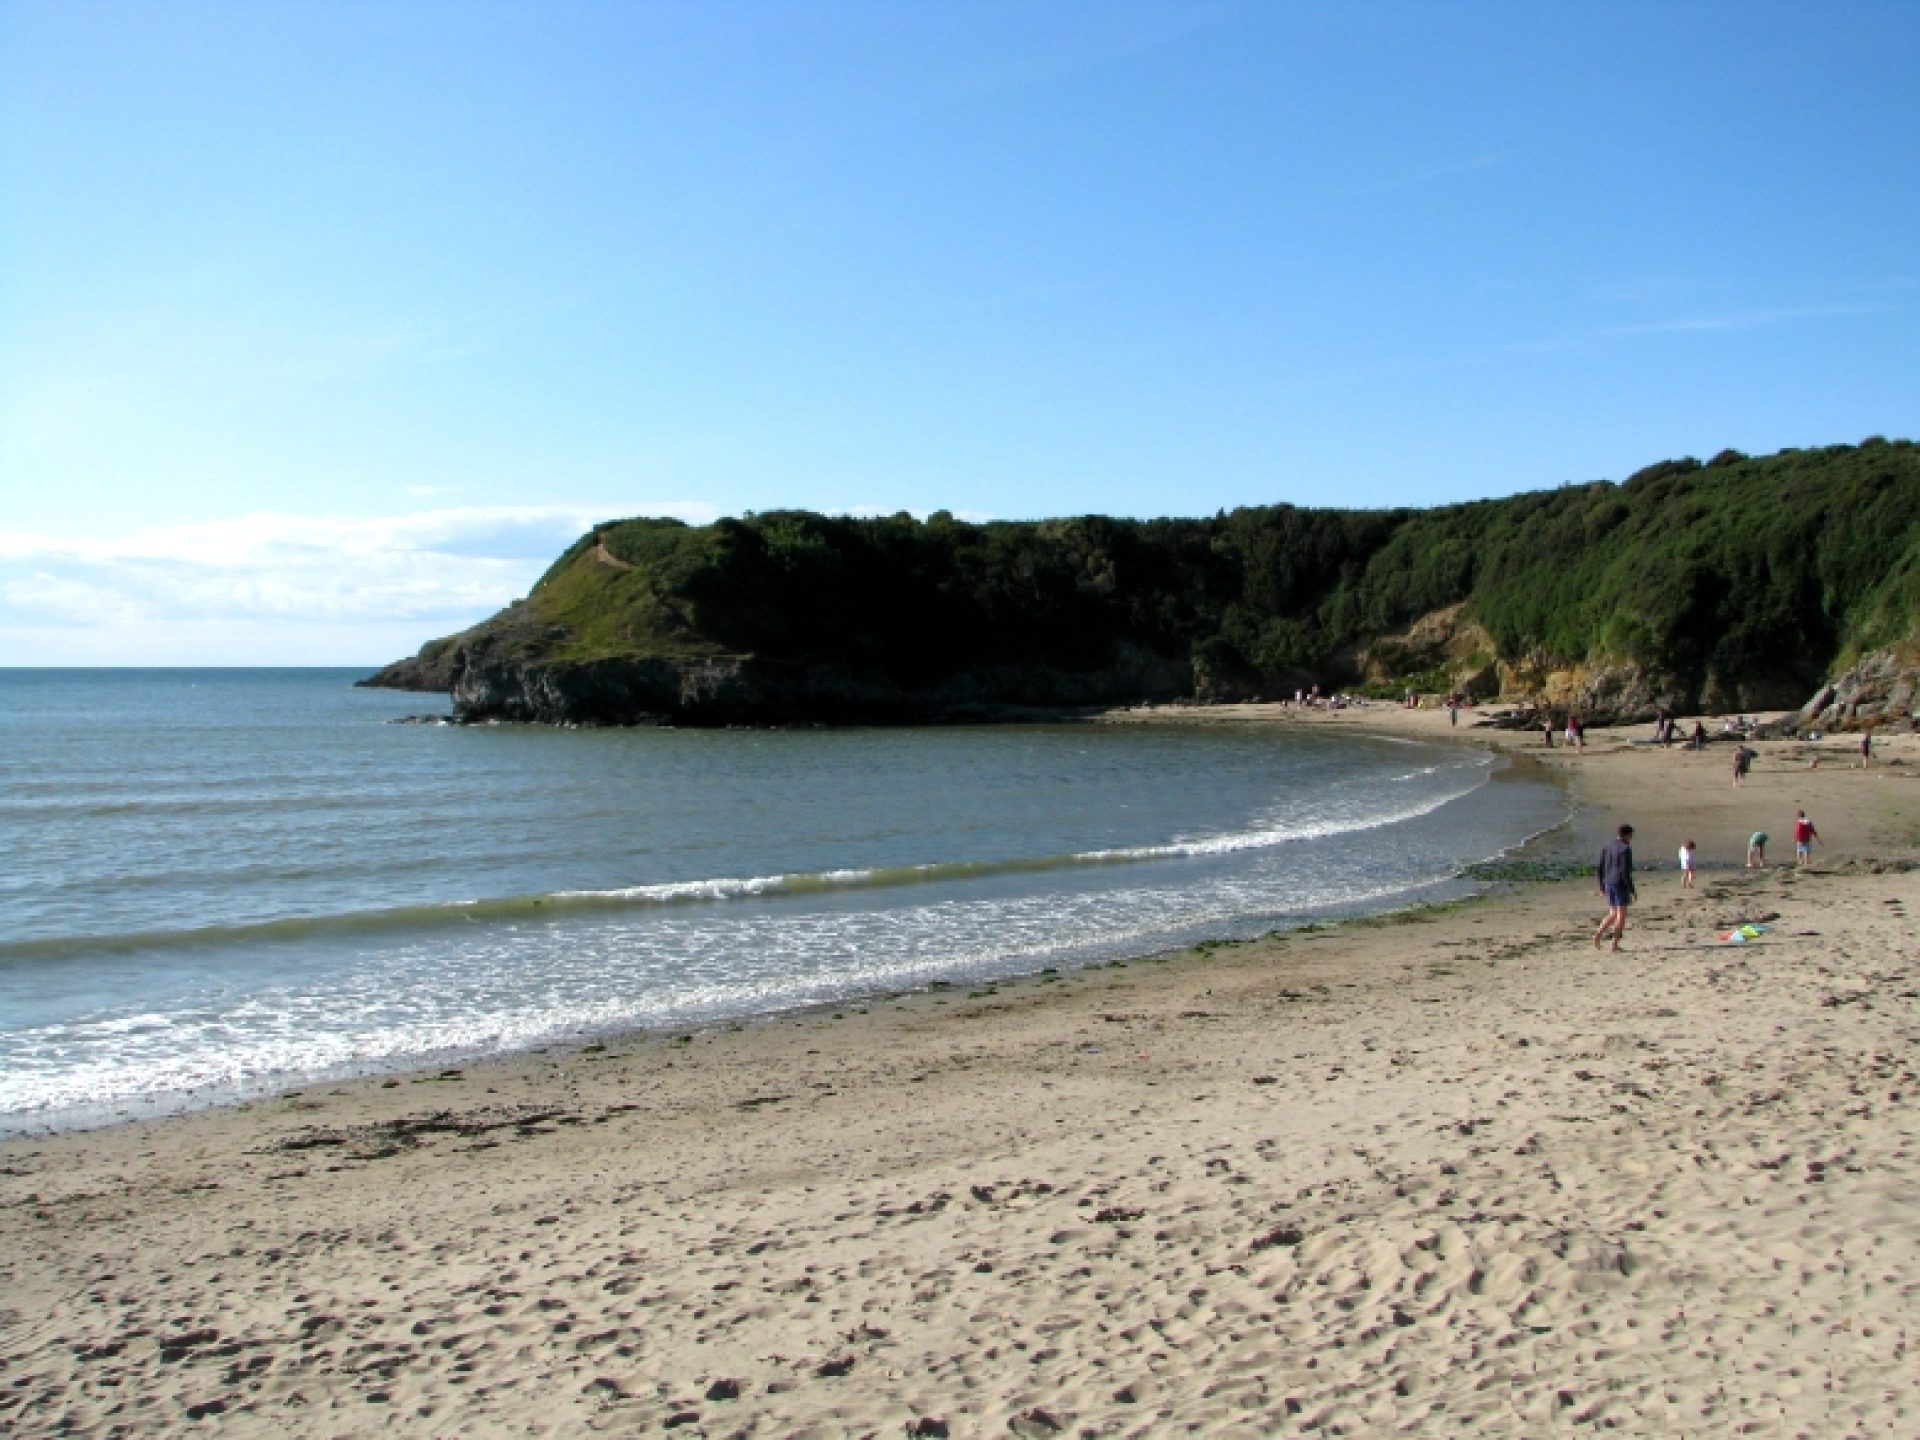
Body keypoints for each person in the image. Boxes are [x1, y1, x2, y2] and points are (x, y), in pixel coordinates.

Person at [1593, 824, 1636, 952]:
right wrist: (1631, 889)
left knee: (1613, 913)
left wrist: (1601, 885)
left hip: (1608, 882)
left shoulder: (1608, 846)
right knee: (1621, 915)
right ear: (1627, 835)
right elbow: (1625, 871)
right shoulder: (1625, 849)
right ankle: (1615, 944)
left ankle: (1599, 933)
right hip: (1619, 883)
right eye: (1631, 835)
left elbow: (1600, 867)